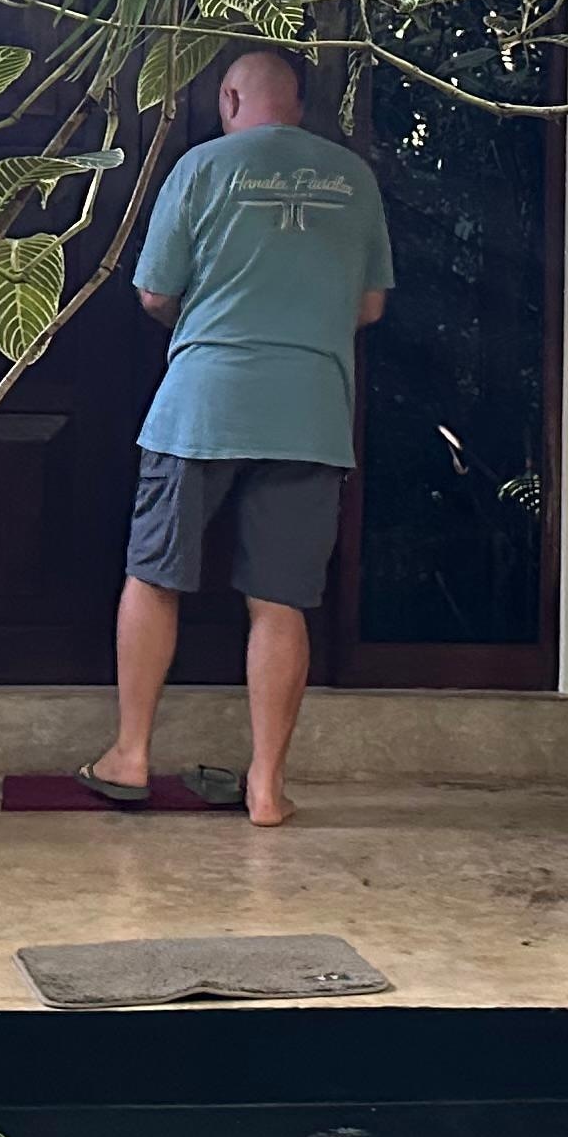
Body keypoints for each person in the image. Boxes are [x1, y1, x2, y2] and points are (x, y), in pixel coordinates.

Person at [80, 45, 392, 827]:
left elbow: (155, 293)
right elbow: (370, 307)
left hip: (202, 406)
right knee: (280, 602)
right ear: (299, 104)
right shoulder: (353, 179)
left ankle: (130, 755)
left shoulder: (201, 168)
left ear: (228, 99)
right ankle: (267, 786)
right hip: (311, 412)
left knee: (153, 575)